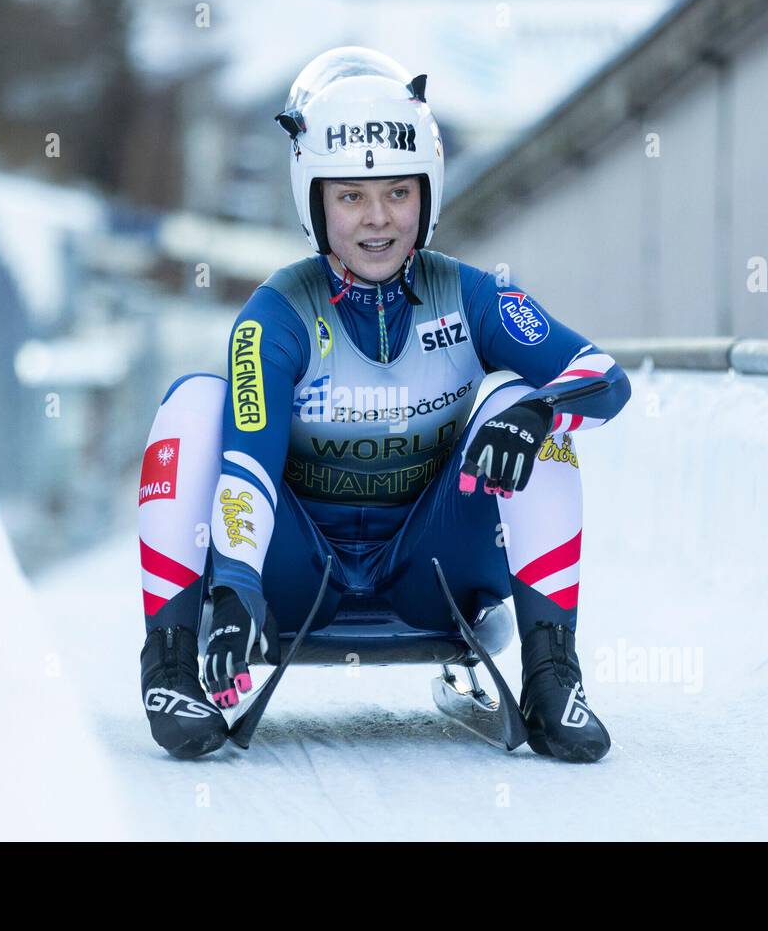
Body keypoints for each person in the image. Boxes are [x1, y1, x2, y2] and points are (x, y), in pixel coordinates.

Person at [138, 47, 631, 762]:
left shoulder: (472, 293)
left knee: (524, 398)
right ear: (316, 201)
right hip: (295, 576)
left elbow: (604, 378)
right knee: (192, 404)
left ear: (426, 196)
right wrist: (237, 583)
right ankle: (172, 665)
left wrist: (543, 412)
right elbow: (247, 462)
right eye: (351, 197)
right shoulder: (274, 314)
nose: (378, 220)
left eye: (398, 193)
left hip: (429, 567)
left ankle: (555, 676)